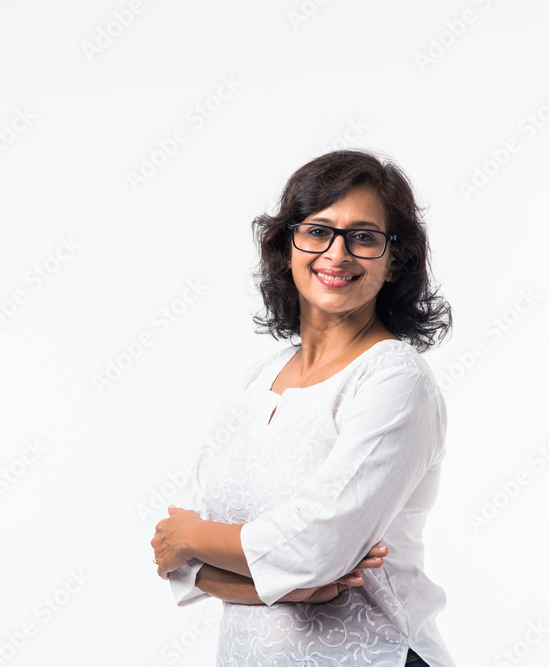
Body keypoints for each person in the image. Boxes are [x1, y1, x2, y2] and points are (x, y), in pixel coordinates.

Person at [150, 149, 455, 666]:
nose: (337, 255)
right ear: (286, 246)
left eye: (363, 236)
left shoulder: (394, 379)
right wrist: (285, 586)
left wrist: (194, 539)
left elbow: (316, 545)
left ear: (394, 257)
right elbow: (177, 561)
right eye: (318, 231)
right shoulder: (257, 379)